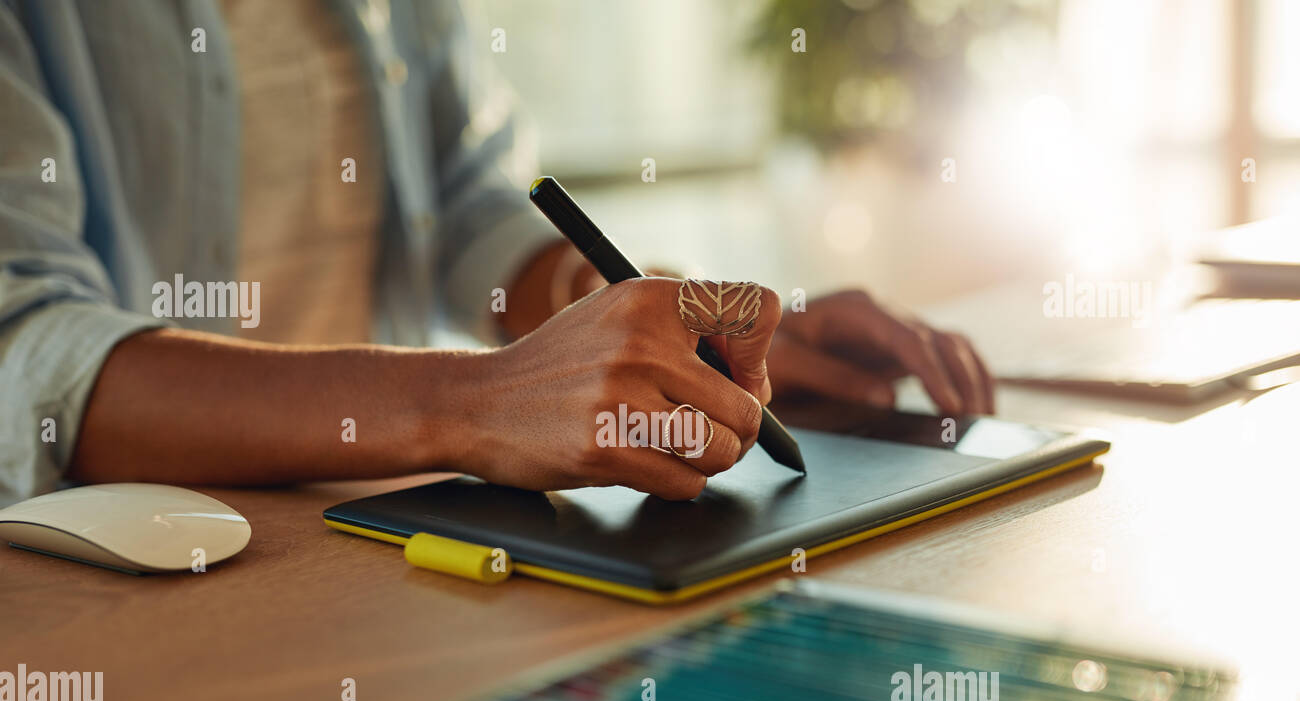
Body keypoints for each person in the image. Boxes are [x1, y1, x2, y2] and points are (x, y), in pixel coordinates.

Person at [0, 0, 994, 507]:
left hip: (368, 539)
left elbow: (473, 206)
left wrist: (674, 319)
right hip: (122, 582)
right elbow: (25, 350)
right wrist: (471, 404)